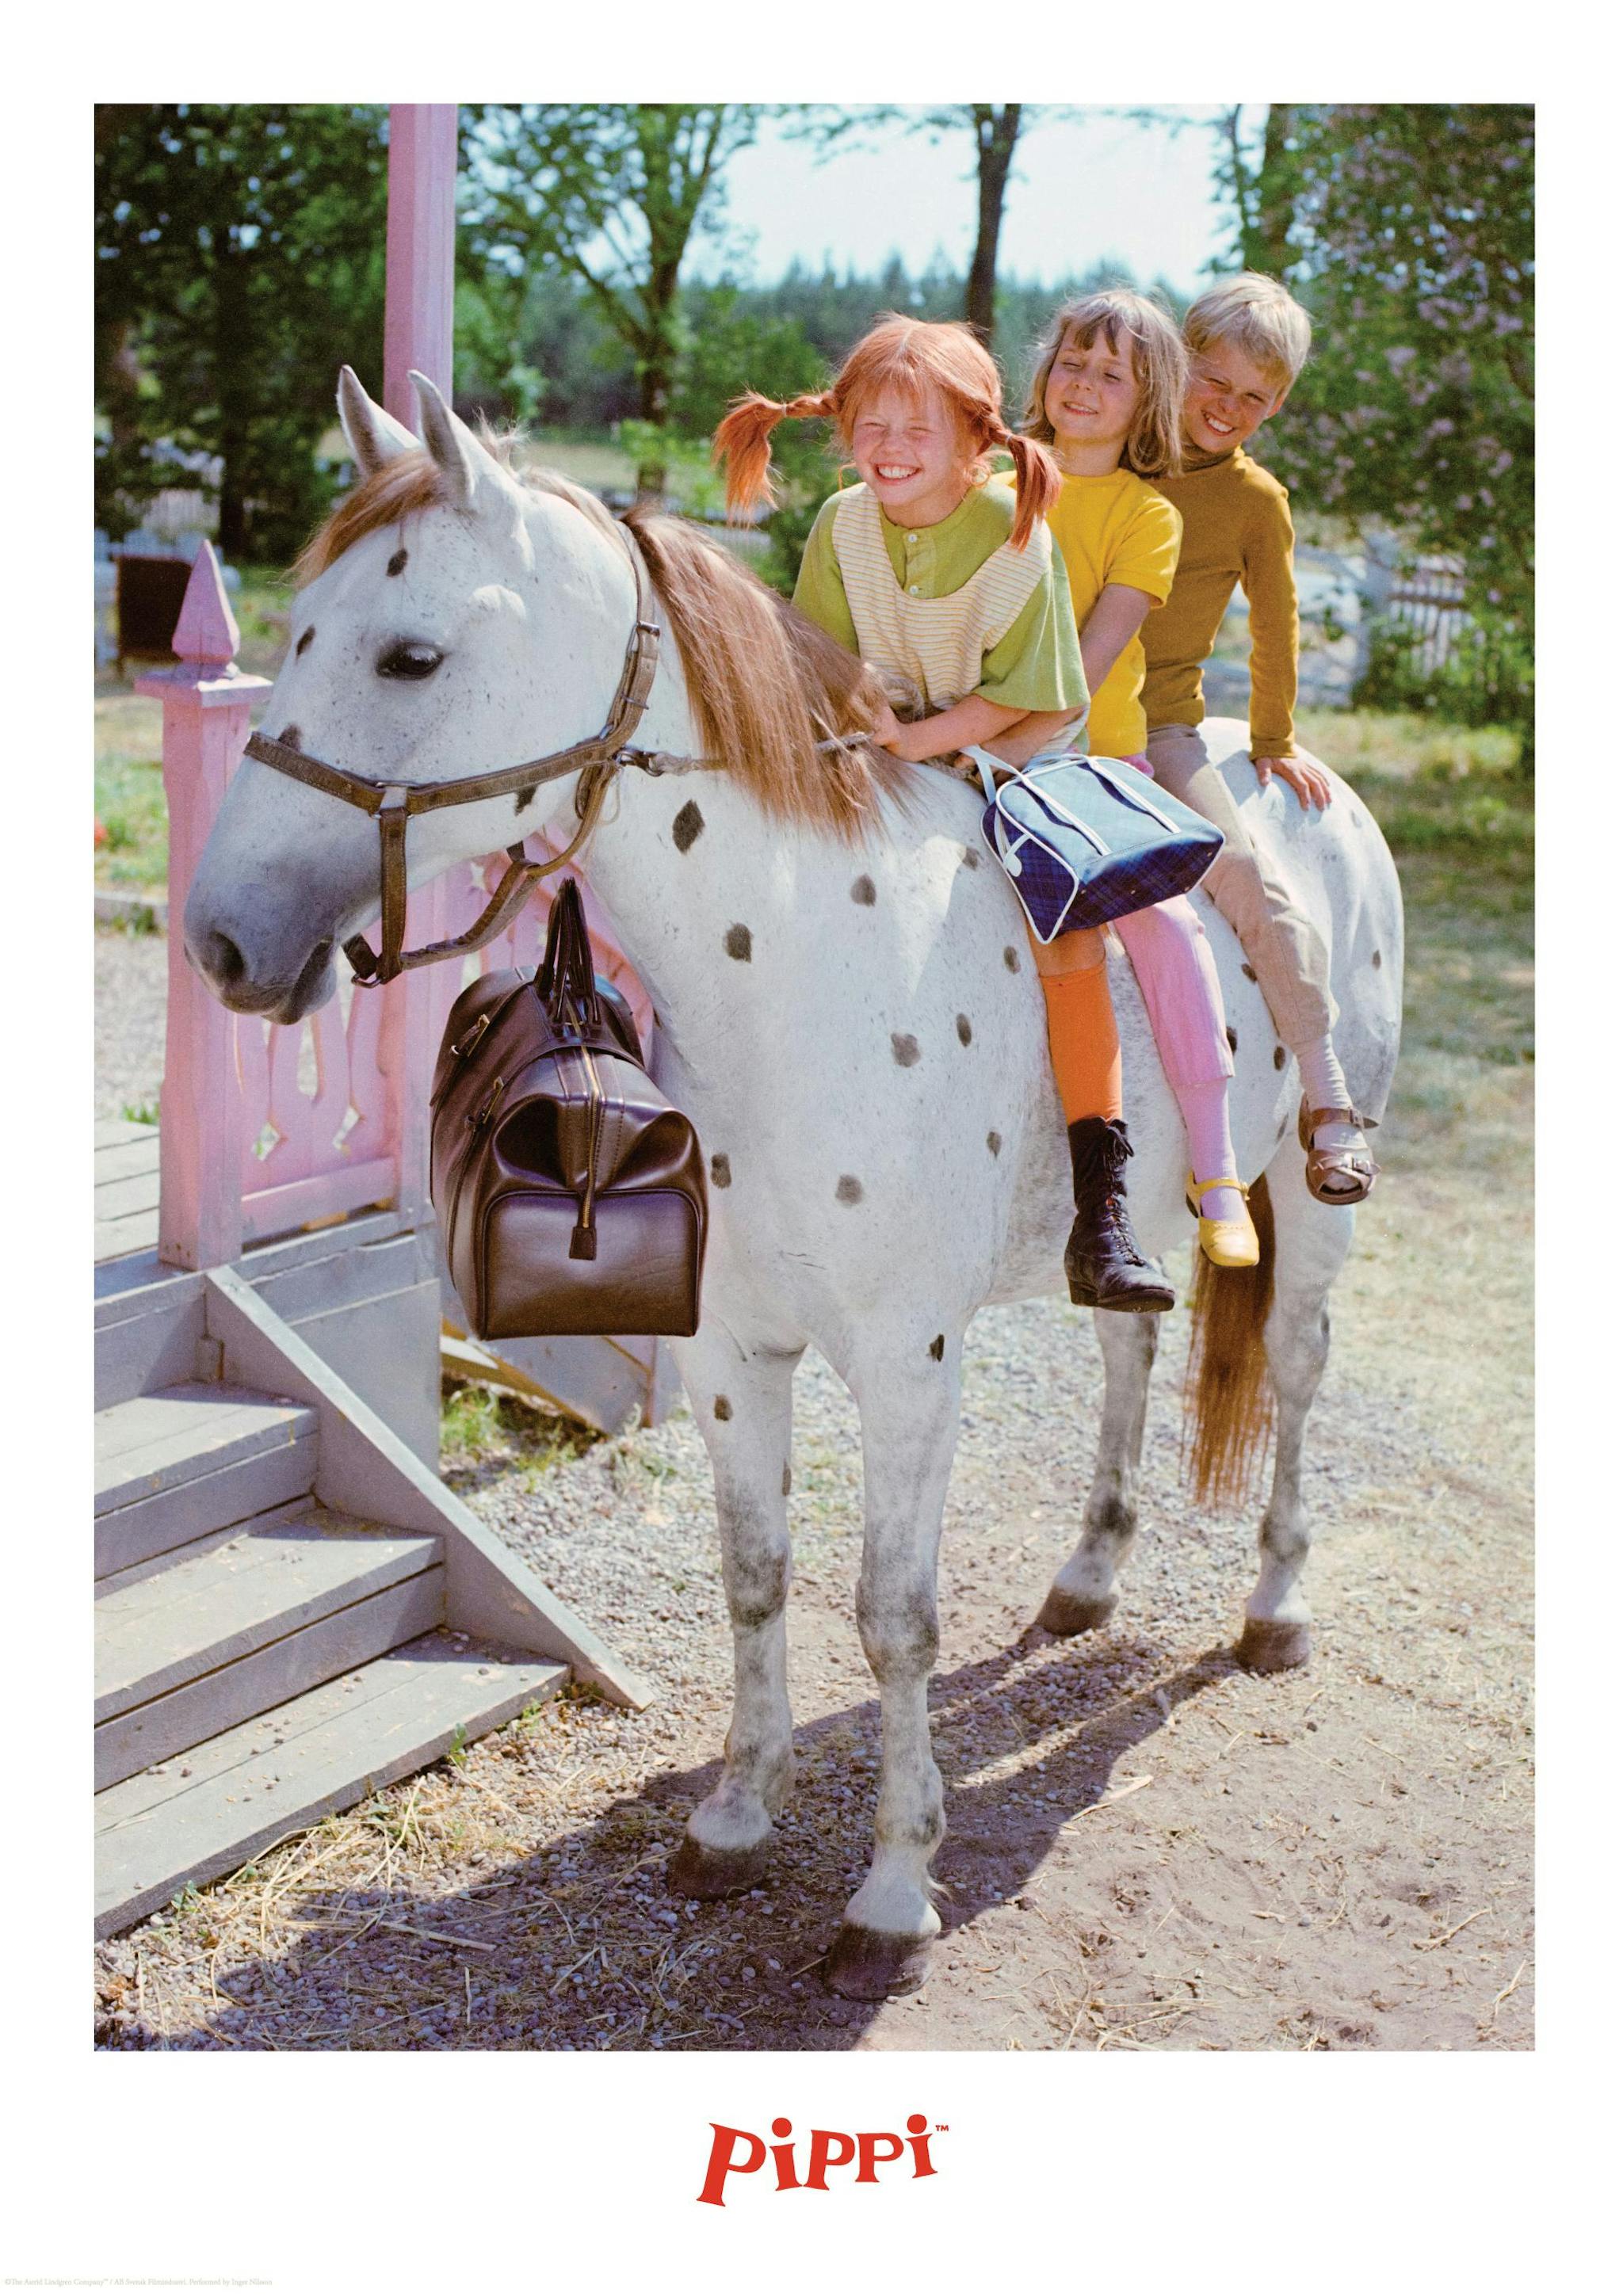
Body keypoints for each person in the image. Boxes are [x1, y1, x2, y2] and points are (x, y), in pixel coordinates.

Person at [713, 314, 1174, 1310]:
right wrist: (858, 714)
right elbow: (825, 658)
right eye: (869, 426)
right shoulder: (842, 525)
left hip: (1016, 748)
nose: (886, 450)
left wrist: (919, 743)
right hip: (894, 733)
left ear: (975, 443)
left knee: (1065, 938)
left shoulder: (1016, 535)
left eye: (915, 430)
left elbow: (1025, 692)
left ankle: (1101, 1205)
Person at [1022, 287, 1258, 1270]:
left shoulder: (1145, 515)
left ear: (1145, 397)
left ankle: (1213, 1165)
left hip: (1087, 765)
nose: (1082, 385)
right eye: (1071, 363)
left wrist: (992, 740)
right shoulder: (993, 478)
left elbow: (1082, 664)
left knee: (1161, 920)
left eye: (1109, 374)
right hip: (966, 749)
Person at [1141, 273, 1377, 1203]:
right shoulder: (1106, 450)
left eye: (1255, 398)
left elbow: (1273, 628)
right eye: (1215, 382)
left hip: (1157, 723)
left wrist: (1272, 737)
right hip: (1033, 708)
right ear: (1178, 363)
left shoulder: (1254, 500)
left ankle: (1325, 1097)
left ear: (1276, 405)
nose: (1229, 410)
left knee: (1245, 878)